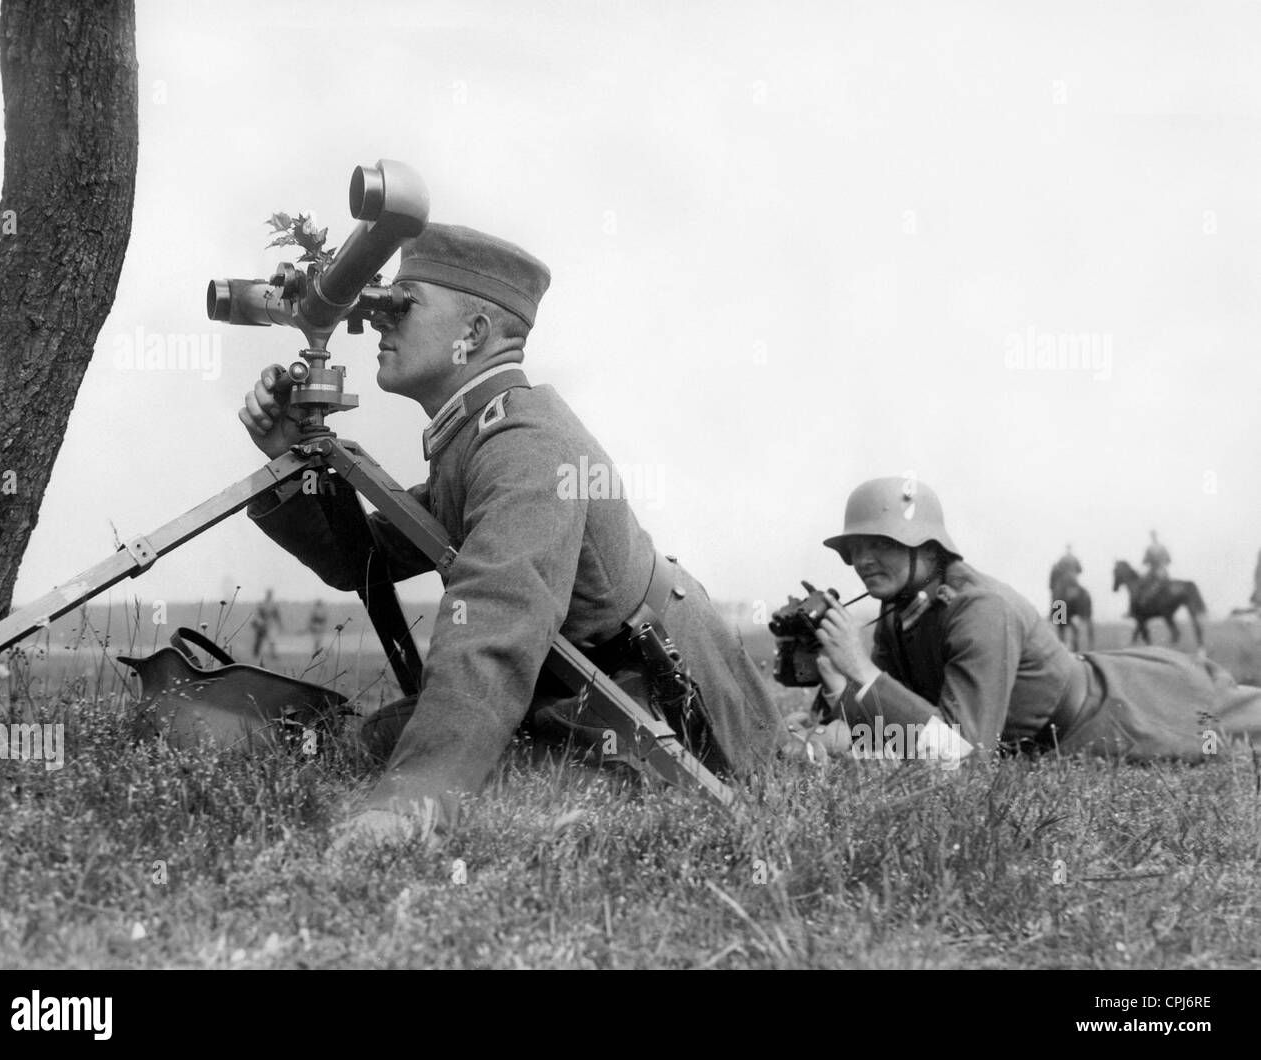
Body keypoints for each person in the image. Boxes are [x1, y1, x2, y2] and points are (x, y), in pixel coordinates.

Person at [239, 223, 780, 841]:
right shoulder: (477, 435)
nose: (381, 321)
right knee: (360, 744)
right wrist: (292, 460)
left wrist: (410, 803)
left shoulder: (525, 447)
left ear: (472, 337)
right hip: (587, 683)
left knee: (474, 794)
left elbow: (497, 622)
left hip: (658, 707)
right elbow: (361, 561)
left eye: (401, 305)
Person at [793, 476, 1261, 765]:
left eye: (883, 544)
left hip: (1129, 709)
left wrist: (862, 672)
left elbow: (963, 756)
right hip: (1070, 713)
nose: (863, 560)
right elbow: (903, 723)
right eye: (856, 549)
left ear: (929, 548)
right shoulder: (899, 608)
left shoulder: (980, 609)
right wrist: (836, 689)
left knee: (1242, 716)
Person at [250, 589, 282, 660]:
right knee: (259, 640)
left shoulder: (274, 605)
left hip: (270, 625)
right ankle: (256, 653)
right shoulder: (262, 603)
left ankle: (273, 654)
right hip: (262, 625)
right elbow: (257, 614)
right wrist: (259, 622)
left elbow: (277, 615)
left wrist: (279, 624)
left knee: (271, 640)